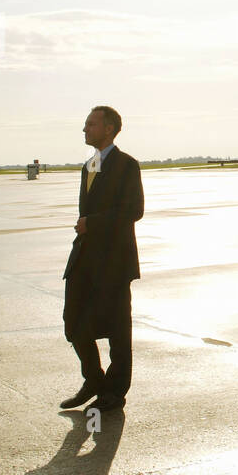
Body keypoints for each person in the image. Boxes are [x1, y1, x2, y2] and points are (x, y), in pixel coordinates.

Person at [60, 105, 144, 412]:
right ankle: (94, 380)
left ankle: (115, 391)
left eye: (90, 125)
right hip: (85, 258)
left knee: (118, 330)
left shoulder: (127, 166)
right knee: (74, 322)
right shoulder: (89, 166)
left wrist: (91, 223)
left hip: (114, 262)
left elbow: (133, 211)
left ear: (109, 128)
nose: (85, 130)